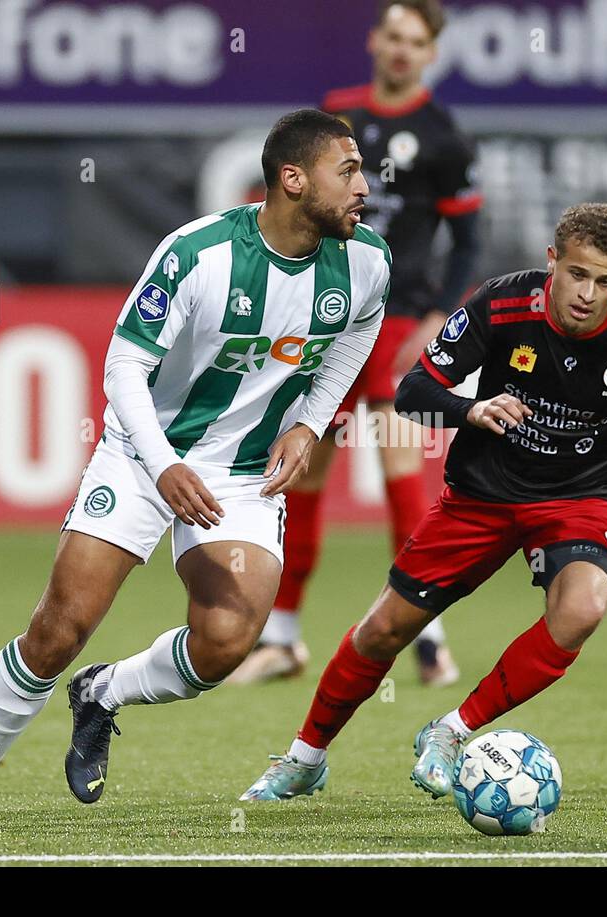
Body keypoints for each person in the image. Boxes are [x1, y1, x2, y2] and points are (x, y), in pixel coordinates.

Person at [0, 110, 389, 831]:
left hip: (241, 472)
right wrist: (163, 464)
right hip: (145, 455)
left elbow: (356, 334)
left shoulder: (367, 264)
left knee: (229, 638)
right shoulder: (198, 254)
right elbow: (124, 364)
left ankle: (103, 694)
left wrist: (308, 420)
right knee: (59, 629)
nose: (364, 186)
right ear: (293, 179)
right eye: (348, 170)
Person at [240, 202, 607, 802]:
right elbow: (414, 391)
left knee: (583, 608)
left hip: (576, 501)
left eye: (605, 281)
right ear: (553, 262)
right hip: (480, 497)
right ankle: (305, 757)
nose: (587, 293)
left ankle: (451, 730)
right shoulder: (500, 303)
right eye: (577, 274)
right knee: (382, 633)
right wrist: (470, 409)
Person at [230, 0, 482, 688]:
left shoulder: (444, 137)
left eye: (415, 41)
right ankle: (281, 637)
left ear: (430, 53)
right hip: (330, 314)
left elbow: (468, 242)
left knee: (401, 471)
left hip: (399, 320)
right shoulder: (337, 120)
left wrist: (437, 315)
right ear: (374, 41)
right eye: (393, 36)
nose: (401, 50)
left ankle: (425, 634)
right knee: (307, 471)